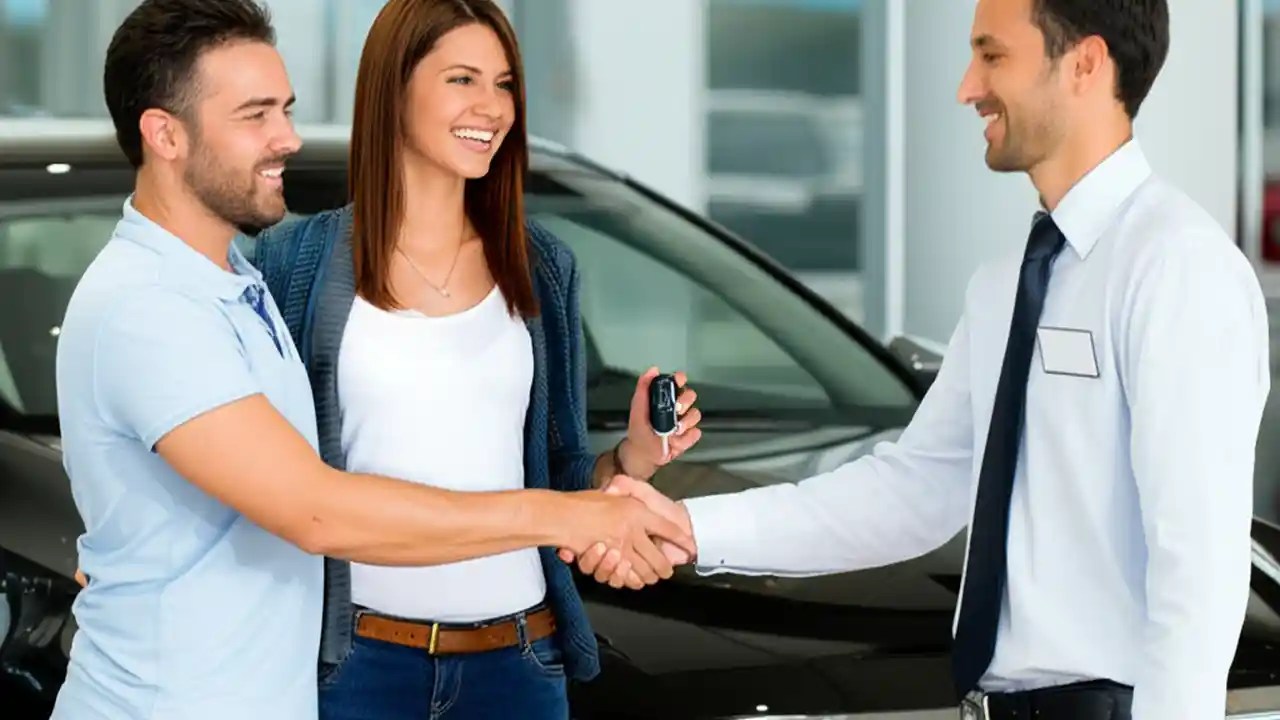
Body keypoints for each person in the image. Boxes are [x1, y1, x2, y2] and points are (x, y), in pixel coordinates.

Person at [571, 1, 1272, 718]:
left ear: (1085, 64)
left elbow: (1200, 573)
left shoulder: (1178, 269)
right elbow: (916, 490)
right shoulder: (1007, 283)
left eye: (992, 56)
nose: (967, 86)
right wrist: (690, 528)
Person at [53, 1, 693, 718]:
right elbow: (316, 512)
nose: (289, 139)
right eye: (256, 115)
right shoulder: (160, 305)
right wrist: (564, 518)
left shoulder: (234, 285)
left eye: (285, 110)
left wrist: (616, 479)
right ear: (164, 134)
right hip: (239, 688)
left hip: (368, 680)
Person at [248, 0, 703, 718]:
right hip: (356, 666)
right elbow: (258, 477)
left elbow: (559, 481)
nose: (491, 107)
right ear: (394, 88)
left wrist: (634, 459)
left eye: (505, 84)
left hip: (518, 667)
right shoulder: (293, 262)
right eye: (463, 79)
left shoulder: (542, 267)